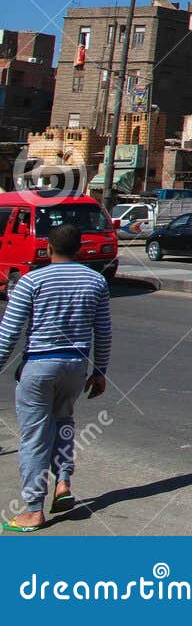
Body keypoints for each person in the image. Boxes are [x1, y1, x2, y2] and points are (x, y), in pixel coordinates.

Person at [0, 224, 112, 532]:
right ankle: (63, 480)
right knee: (64, 422)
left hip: (39, 366)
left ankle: (34, 510)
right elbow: (102, 332)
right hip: (75, 367)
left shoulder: (32, 280)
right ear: (79, 248)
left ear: (48, 247)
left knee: (34, 438)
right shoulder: (96, 281)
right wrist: (100, 372)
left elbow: (9, 333)